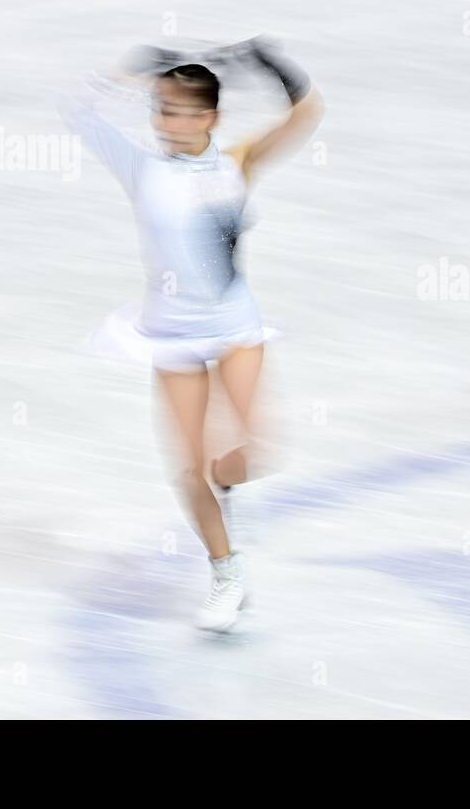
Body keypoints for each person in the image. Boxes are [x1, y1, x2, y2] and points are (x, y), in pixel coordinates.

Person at [58, 36, 325, 628]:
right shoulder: (140, 167)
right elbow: (73, 110)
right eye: (160, 109)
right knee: (187, 468)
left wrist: (271, 64)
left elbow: (308, 113)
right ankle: (226, 572)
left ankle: (226, 493)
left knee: (252, 452)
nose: (166, 122)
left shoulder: (238, 163)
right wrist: (131, 68)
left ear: (211, 117)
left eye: (180, 111)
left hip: (233, 327)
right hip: (169, 334)